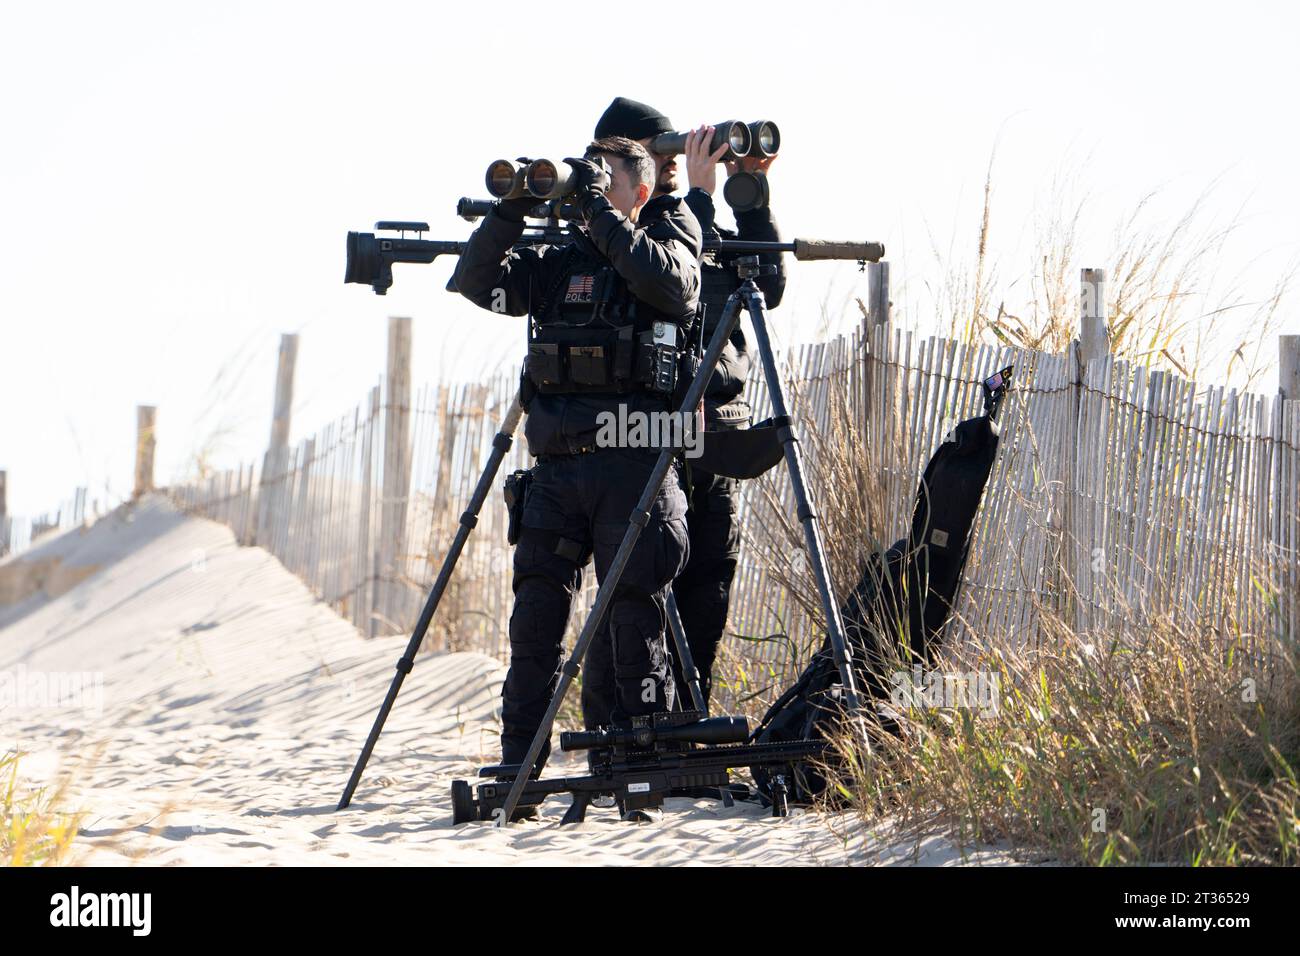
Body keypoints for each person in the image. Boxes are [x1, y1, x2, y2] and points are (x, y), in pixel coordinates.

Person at [453, 136, 703, 786]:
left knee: (632, 617)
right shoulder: (557, 264)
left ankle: (637, 763)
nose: (586, 189)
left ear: (638, 192)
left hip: (634, 467)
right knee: (535, 620)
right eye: (583, 180)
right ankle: (520, 764)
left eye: (603, 178)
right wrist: (509, 210)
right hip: (559, 471)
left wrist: (601, 212)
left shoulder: (664, 248)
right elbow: (475, 281)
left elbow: (674, 286)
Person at [582, 98, 786, 725]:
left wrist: (751, 193)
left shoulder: (701, 225)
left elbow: (769, 285)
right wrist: (695, 198)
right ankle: (619, 729)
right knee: (633, 593)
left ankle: (685, 732)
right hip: (647, 440)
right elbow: (667, 283)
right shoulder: (623, 241)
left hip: (715, 439)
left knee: (708, 587)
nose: (670, 162)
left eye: (672, 149)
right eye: (655, 152)